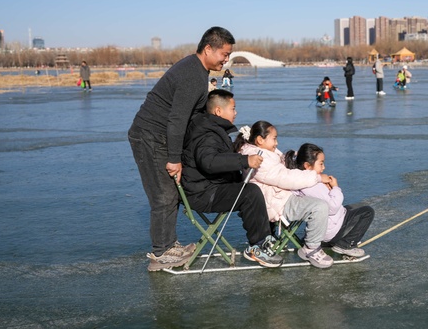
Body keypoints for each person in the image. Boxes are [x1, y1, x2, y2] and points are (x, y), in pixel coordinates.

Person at [128, 26, 235, 272]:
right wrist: (175, 159)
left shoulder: (197, 71)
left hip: (159, 136)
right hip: (150, 137)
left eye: (229, 55)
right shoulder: (192, 75)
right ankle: (161, 253)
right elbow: (177, 120)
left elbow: (192, 118)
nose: (226, 59)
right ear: (208, 49)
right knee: (164, 195)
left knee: (171, 193)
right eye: (224, 54)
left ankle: (168, 244)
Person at [181, 89, 283, 267]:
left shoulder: (211, 127)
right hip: (204, 193)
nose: (235, 113)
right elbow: (209, 162)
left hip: (210, 186)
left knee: (256, 186)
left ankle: (268, 236)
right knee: (250, 192)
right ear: (218, 111)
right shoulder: (206, 134)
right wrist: (244, 160)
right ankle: (258, 246)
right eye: (233, 109)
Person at [235, 121, 335, 269]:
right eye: (274, 138)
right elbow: (286, 178)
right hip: (275, 204)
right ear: (260, 140)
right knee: (319, 206)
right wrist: (318, 177)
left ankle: (314, 243)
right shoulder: (259, 158)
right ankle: (312, 248)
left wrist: (296, 157)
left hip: (277, 198)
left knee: (316, 201)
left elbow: (281, 164)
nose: (277, 142)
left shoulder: (262, 152)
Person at [284, 143, 374, 257]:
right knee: (367, 211)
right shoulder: (312, 186)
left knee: (351, 208)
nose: (323, 167)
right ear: (307, 166)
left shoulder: (299, 180)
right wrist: (335, 187)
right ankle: (345, 244)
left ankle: (334, 240)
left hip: (323, 230)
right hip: (331, 231)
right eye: (321, 163)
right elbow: (333, 207)